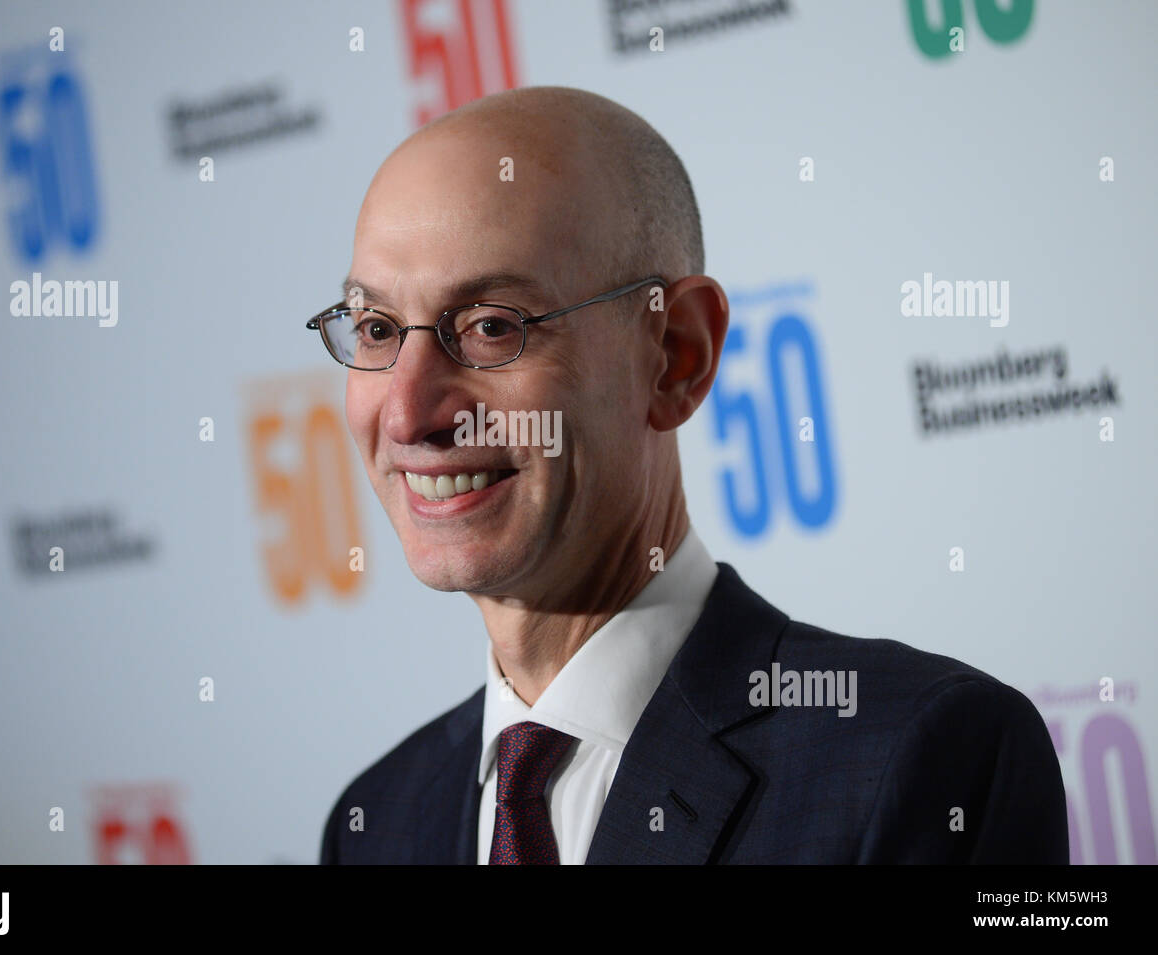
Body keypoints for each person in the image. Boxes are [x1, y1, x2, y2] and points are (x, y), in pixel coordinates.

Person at [313, 86, 1068, 864]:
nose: (407, 413)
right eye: (374, 329)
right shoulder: (375, 822)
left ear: (677, 352)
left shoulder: (923, 756)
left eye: (491, 326)